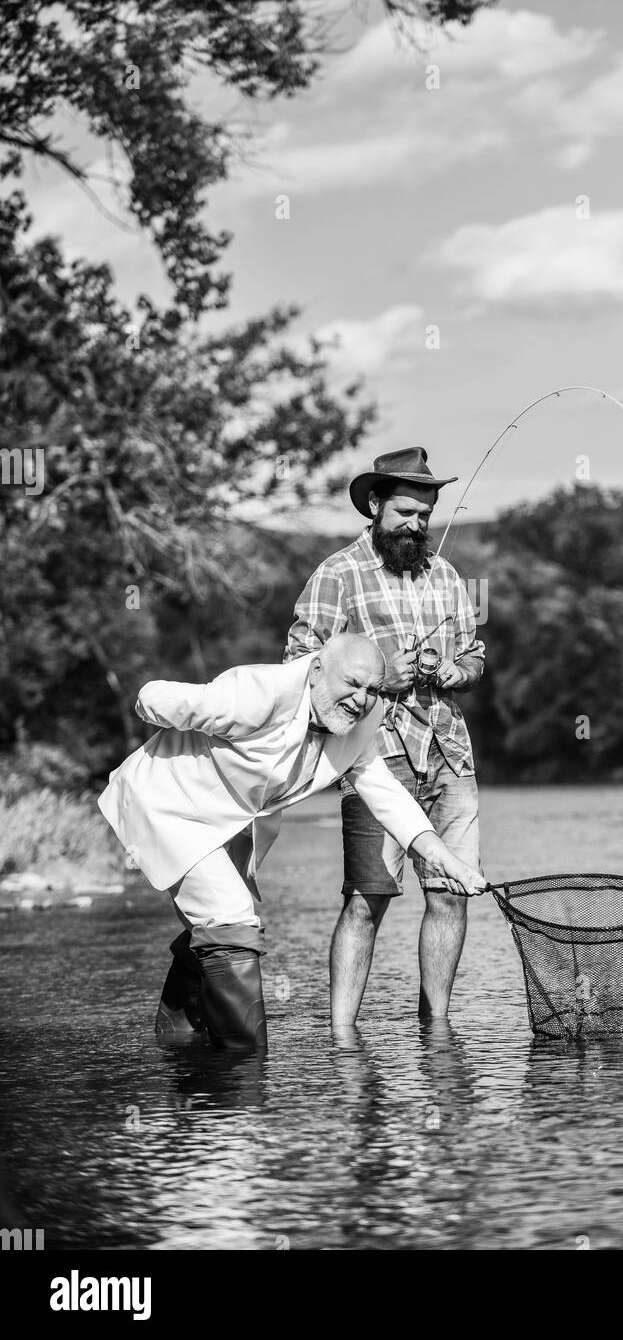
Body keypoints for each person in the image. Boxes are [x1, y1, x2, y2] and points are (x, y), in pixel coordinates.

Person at [97, 634, 485, 1051]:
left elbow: (386, 795)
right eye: (352, 683)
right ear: (316, 670)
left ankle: (181, 1038)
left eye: (373, 689)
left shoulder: (360, 723)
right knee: (231, 918)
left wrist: (444, 858)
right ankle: (243, 1067)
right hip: (170, 808)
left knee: (214, 923)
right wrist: (164, 714)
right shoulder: (253, 693)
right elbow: (152, 697)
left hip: (229, 825)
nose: (361, 699)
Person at [286, 446, 486, 1027]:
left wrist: (460, 671)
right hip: (375, 759)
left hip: (450, 753)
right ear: (374, 505)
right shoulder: (336, 574)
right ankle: (342, 1034)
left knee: (450, 892)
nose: (415, 526)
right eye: (404, 513)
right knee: (366, 899)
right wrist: (379, 674)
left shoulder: (446, 576)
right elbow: (302, 663)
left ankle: (437, 1028)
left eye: (424, 515)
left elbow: (474, 654)